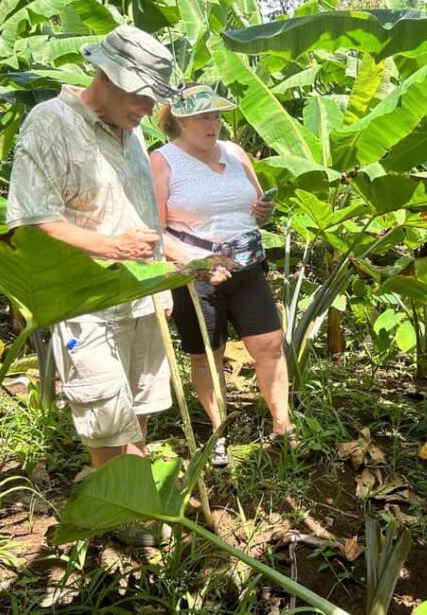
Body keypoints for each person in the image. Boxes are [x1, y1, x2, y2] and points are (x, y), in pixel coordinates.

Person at [5, 26, 183, 545]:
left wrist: (161, 281)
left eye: (152, 99)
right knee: (106, 412)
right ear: (106, 75)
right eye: (139, 95)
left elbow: (143, 216)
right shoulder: (51, 123)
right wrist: (106, 247)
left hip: (139, 295)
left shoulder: (132, 134)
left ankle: (131, 497)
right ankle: (126, 515)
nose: (147, 109)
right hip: (85, 301)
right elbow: (30, 220)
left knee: (143, 405)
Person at [149, 84, 296, 467]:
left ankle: (283, 425)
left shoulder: (235, 152)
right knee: (207, 356)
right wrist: (196, 262)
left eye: (216, 115)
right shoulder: (163, 162)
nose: (213, 123)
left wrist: (264, 212)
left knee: (269, 345)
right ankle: (219, 431)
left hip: (247, 265)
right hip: (196, 274)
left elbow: (257, 205)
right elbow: (154, 229)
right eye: (204, 117)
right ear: (180, 120)